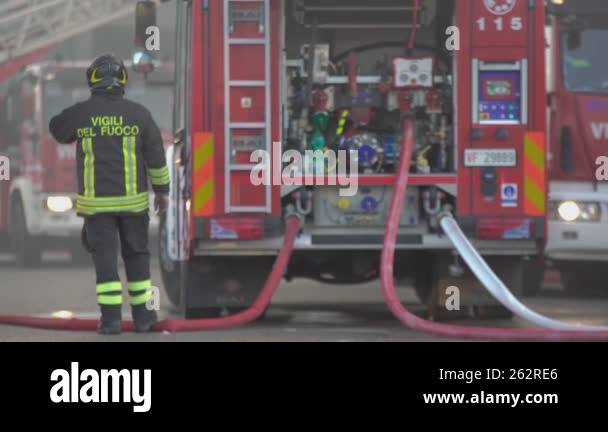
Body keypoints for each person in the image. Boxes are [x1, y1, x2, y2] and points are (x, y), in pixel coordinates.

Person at [49, 54, 170, 335]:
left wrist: (81, 118)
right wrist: (162, 193)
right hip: (133, 207)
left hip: (98, 208)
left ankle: (112, 321)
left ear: (92, 80)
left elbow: (56, 128)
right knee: (137, 257)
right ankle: (144, 320)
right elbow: (156, 158)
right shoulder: (139, 114)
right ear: (123, 79)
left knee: (105, 262)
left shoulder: (82, 114)